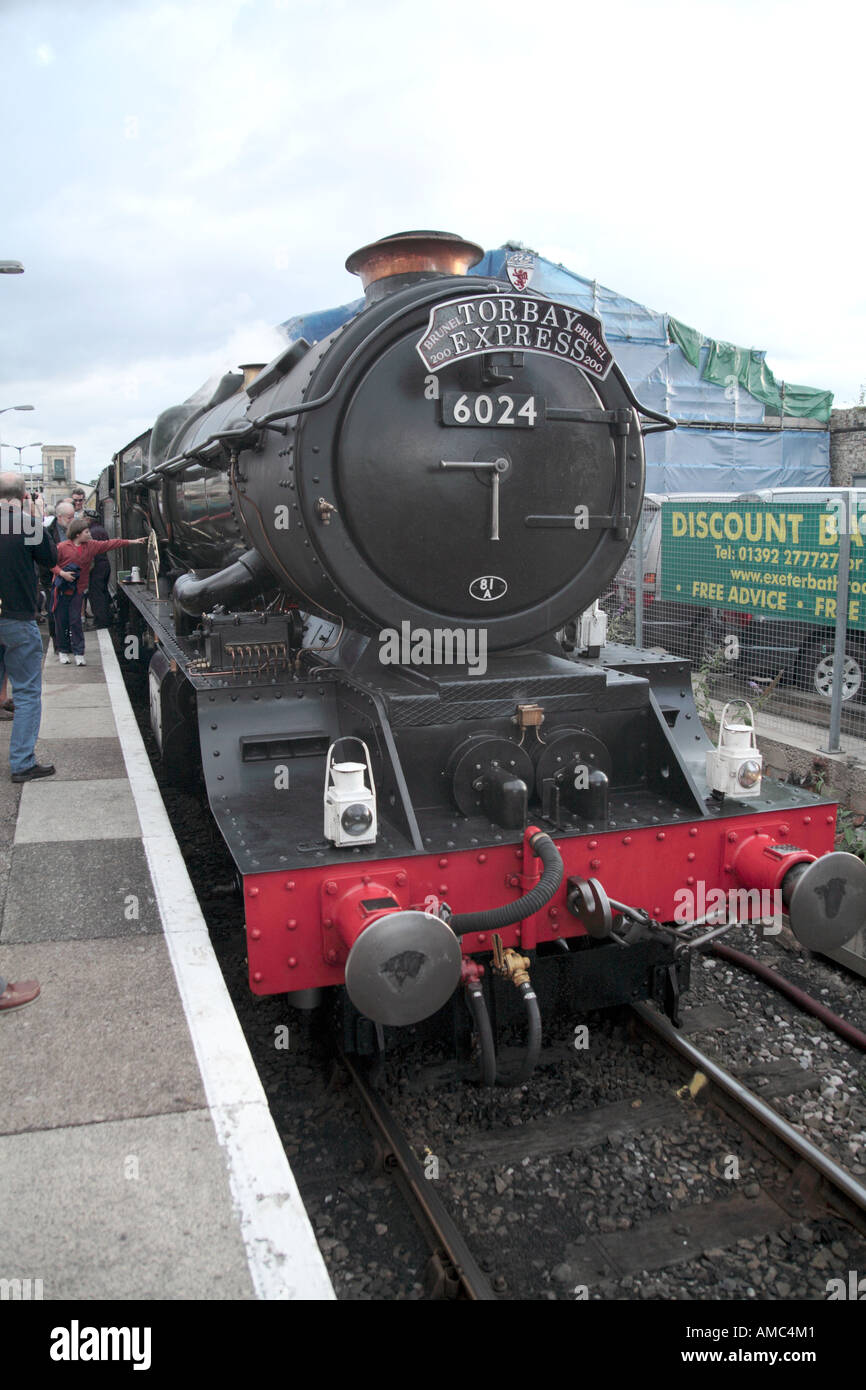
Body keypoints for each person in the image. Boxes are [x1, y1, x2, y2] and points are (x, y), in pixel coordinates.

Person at [0, 472, 57, 781]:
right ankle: (22, 763)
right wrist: (35, 515)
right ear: (23, 496)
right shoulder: (27, 524)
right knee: (26, 693)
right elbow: (50, 558)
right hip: (16, 618)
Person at [54, 518, 146, 665]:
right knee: (61, 621)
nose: (90, 533)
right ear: (78, 534)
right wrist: (62, 573)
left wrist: (133, 541)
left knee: (75, 621)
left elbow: (111, 544)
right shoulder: (62, 547)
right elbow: (52, 564)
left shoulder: (91, 546)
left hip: (78, 589)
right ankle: (63, 651)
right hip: (61, 589)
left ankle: (79, 653)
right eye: (86, 531)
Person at [42, 500, 75, 651]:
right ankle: (57, 642)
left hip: (72, 578)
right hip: (53, 578)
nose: (72, 520)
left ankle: (68, 641)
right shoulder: (47, 532)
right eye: (69, 517)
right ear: (60, 517)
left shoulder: (75, 531)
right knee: (54, 610)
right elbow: (42, 559)